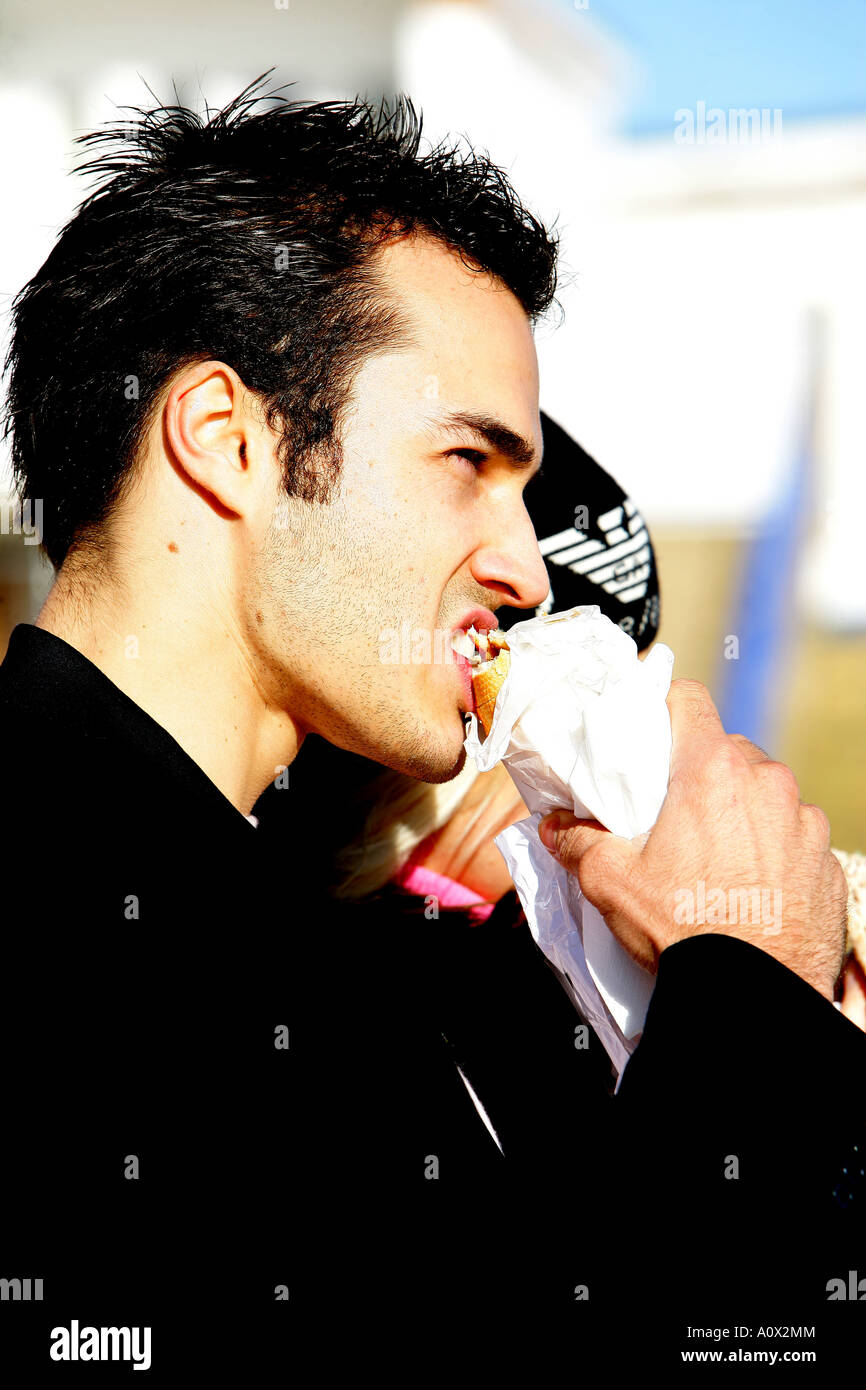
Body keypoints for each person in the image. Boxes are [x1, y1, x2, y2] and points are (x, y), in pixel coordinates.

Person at [0, 76, 862, 1369]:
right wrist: (750, 1013)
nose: (523, 566)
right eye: (469, 461)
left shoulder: (288, 944)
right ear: (226, 440)